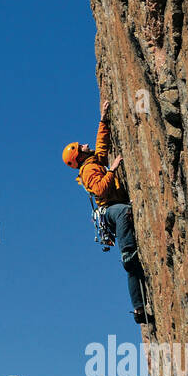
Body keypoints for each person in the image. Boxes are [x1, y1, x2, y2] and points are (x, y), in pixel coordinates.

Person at [62, 100, 153, 325]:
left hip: (111, 209)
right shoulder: (88, 170)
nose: (84, 144)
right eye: (80, 146)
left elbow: (101, 147)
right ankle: (128, 257)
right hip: (112, 211)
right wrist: (112, 170)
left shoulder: (92, 162)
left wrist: (103, 119)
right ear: (79, 157)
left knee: (125, 220)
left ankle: (139, 304)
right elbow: (100, 188)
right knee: (125, 218)